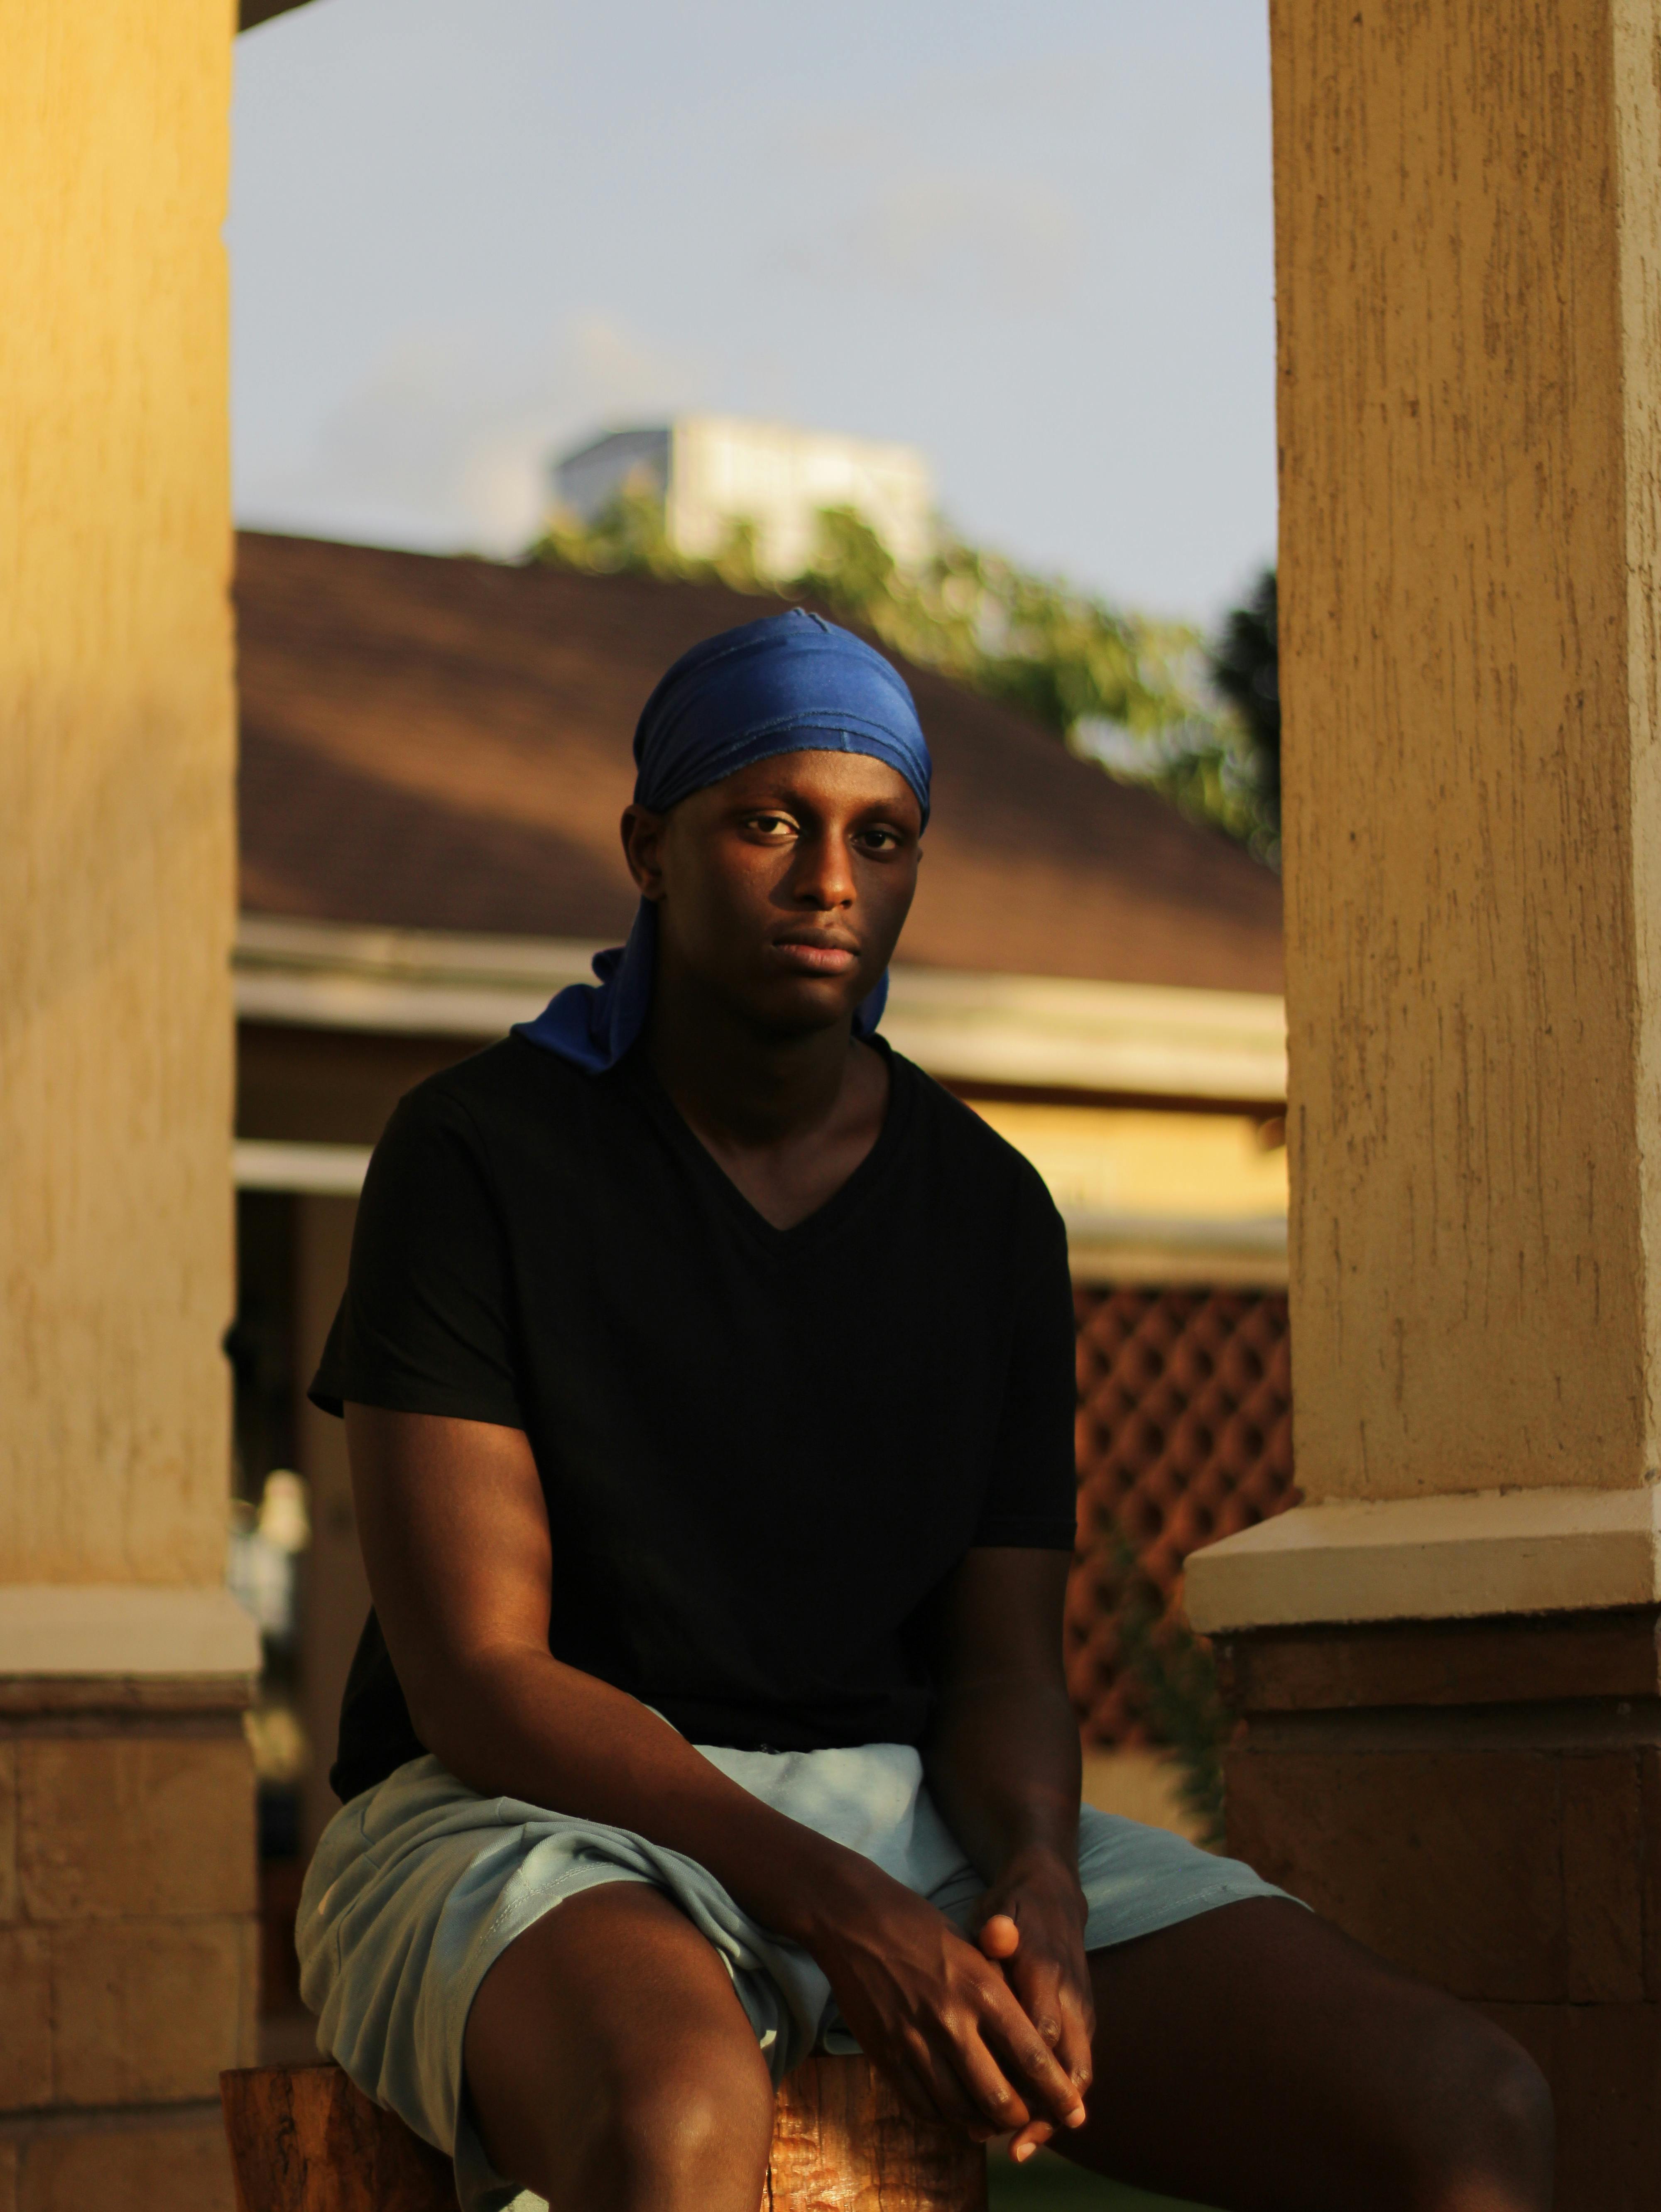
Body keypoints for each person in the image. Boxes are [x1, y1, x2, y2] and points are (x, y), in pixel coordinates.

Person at [298, 609, 1553, 2212]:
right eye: (770, 822)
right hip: (528, 1821)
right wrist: (840, 1910)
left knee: (1466, 2114)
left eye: (879, 839)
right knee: (674, 2119)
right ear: (650, 848)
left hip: (902, 1825)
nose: (830, 878)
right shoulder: (477, 1159)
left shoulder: (988, 1216)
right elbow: (478, 1679)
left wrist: (1037, 1880)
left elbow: (1004, 1669)